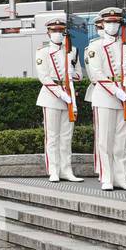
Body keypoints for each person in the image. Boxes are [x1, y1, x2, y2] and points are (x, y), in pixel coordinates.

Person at [85, 7, 126, 192]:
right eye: (109, 22)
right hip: (106, 96)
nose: (112, 25)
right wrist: (117, 91)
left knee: (122, 141)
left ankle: (121, 178)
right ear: (102, 24)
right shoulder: (94, 46)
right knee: (105, 141)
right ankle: (107, 178)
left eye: (116, 21)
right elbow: (97, 74)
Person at [33, 15, 82, 183]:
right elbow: (44, 77)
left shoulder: (72, 50)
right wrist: (61, 94)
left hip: (68, 94)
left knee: (67, 137)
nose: (58, 34)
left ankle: (66, 169)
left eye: (61, 31)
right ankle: (53, 170)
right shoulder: (43, 51)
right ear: (48, 33)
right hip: (51, 97)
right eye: (54, 31)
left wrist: (71, 74)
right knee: (52, 136)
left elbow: (79, 76)